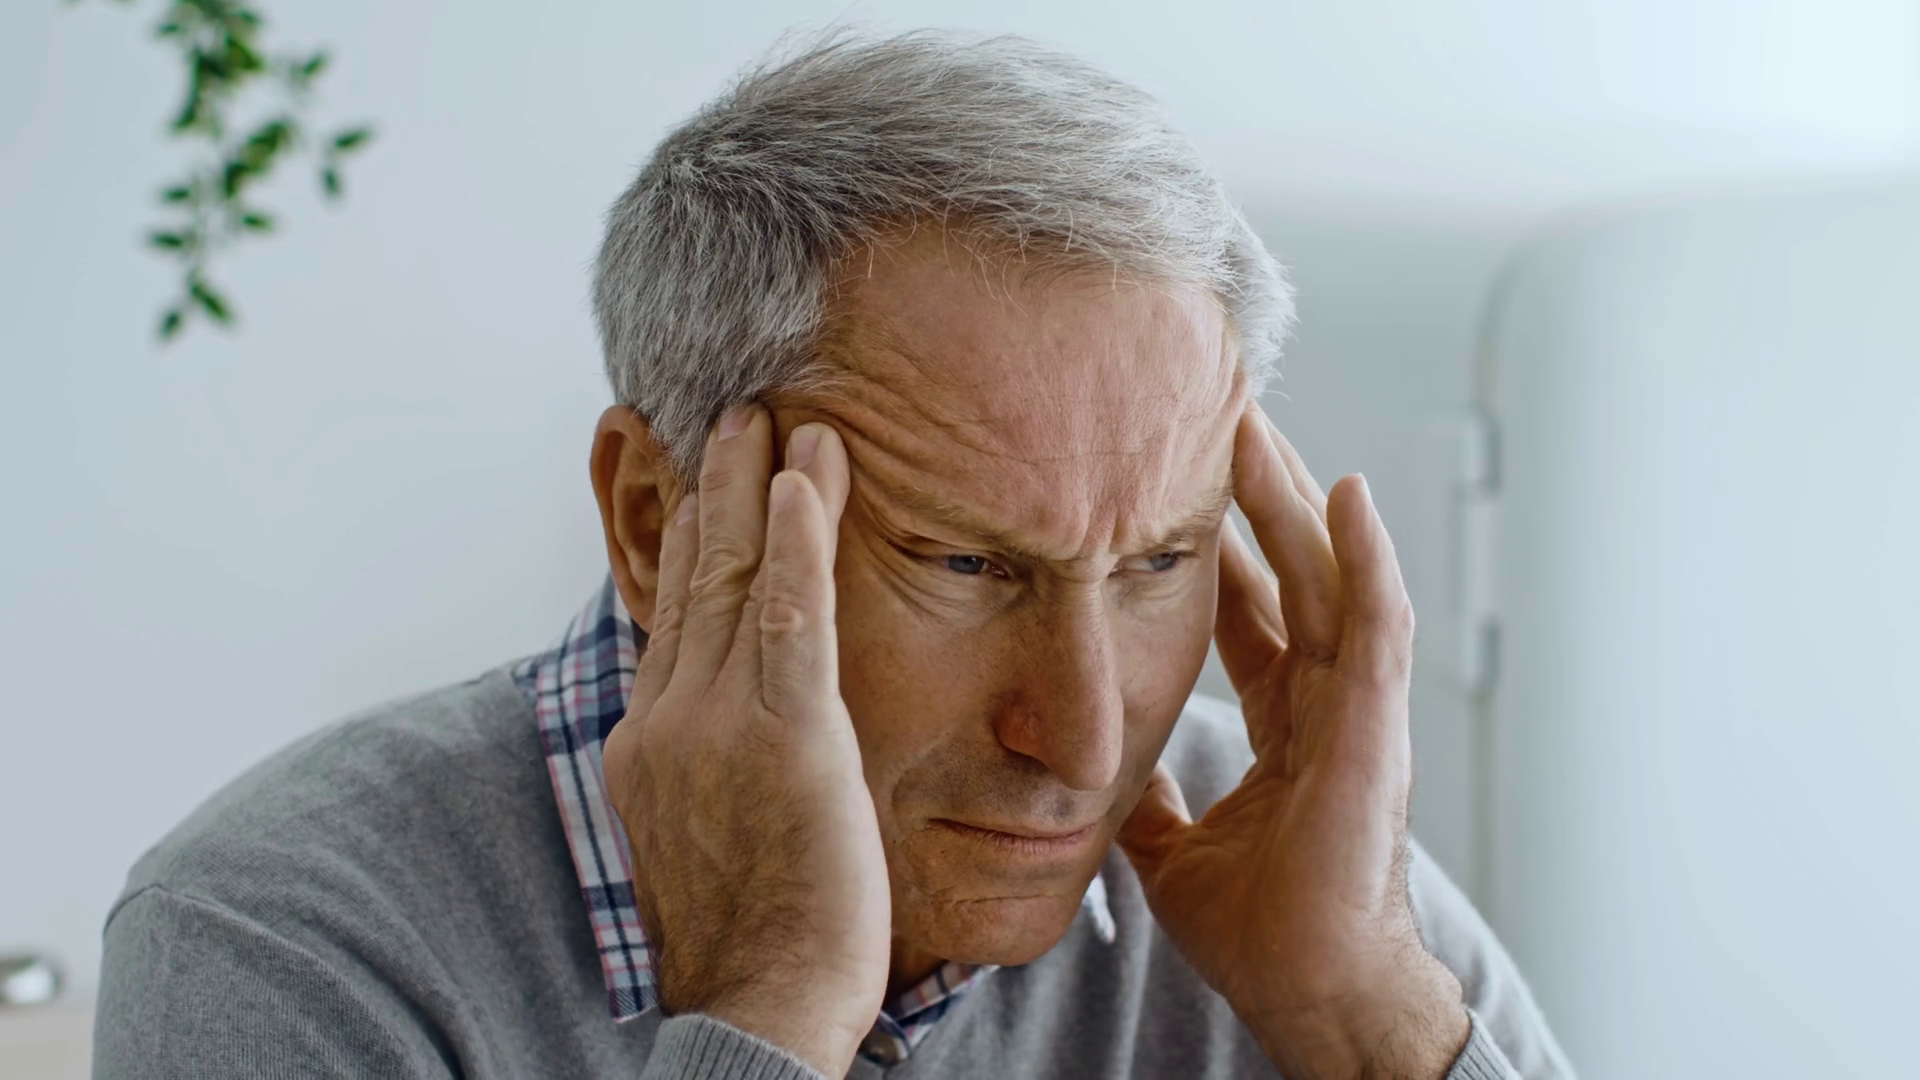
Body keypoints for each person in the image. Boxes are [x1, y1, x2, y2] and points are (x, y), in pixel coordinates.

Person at [93, 30, 1574, 1080]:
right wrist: (770, 1009)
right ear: (657, 525)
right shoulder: (284, 945)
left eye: (1156, 565)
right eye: (966, 566)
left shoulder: (1298, 894)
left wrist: (1373, 1024)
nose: (1086, 735)